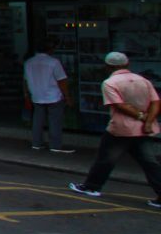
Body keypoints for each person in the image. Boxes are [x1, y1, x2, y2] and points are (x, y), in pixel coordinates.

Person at [69, 52, 161, 206]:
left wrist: (141, 117)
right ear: (127, 64)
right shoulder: (143, 80)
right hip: (142, 129)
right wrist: (148, 121)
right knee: (149, 162)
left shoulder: (110, 82)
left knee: (105, 159)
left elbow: (119, 105)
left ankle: (92, 187)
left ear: (108, 66)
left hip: (120, 128)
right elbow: (156, 102)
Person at [23, 41, 72, 153]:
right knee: (55, 121)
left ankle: (36, 143)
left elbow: (25, 81)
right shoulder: (54, 62)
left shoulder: (28, 62)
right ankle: (55, 145)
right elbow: (62, 80)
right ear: (49, 50)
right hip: (53, 95)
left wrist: (26, 94)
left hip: (36, 95)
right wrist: (67, 96)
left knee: (37, 120)